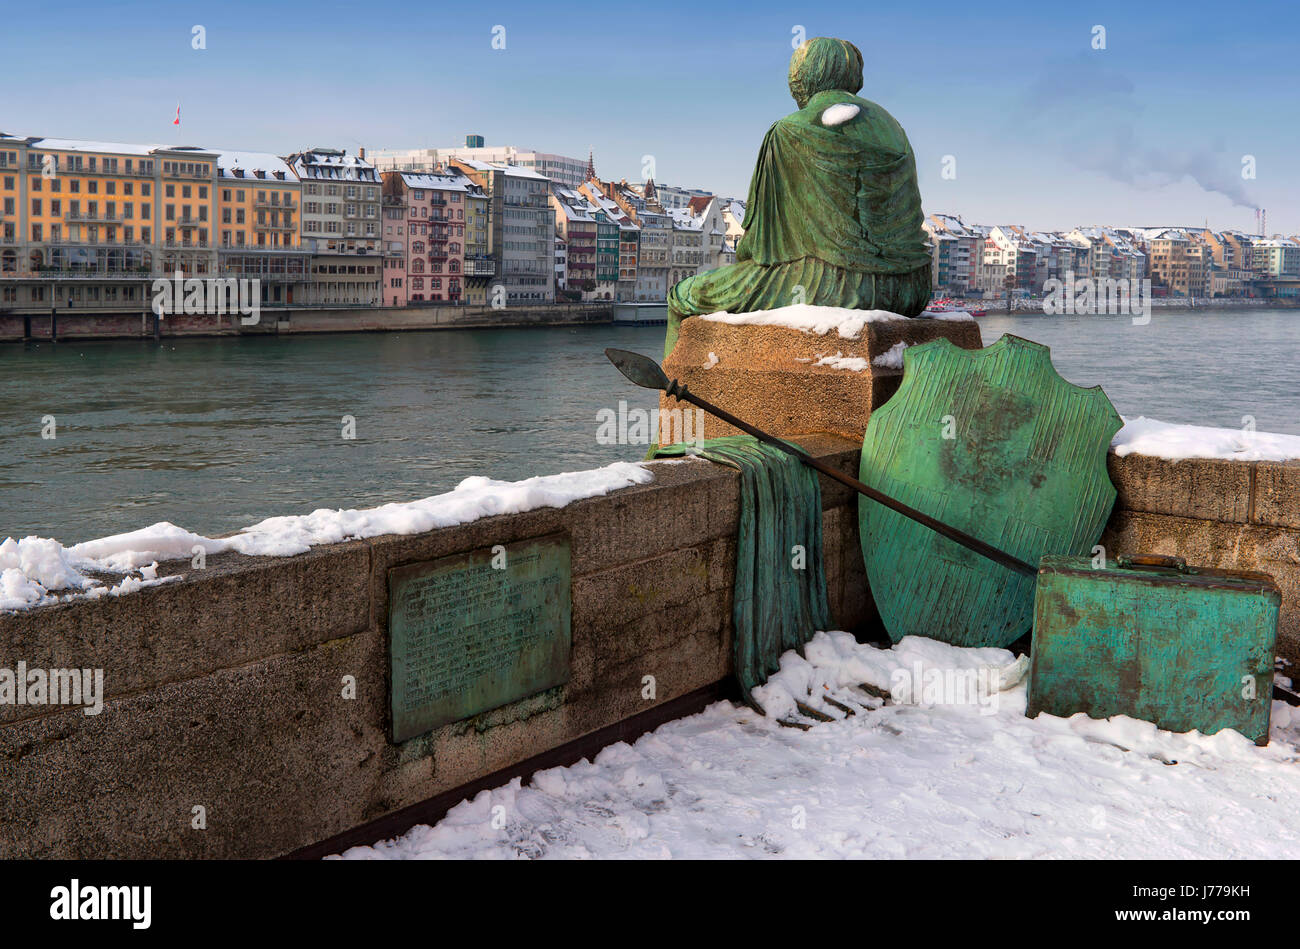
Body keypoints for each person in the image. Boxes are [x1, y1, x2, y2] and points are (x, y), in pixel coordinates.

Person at [665, 36, 932, 357]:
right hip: (910, 289)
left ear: (802, 79)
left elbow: (761, 247)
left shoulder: (789, 131)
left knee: (684, 296)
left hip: (834, 285)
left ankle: (679, 395)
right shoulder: (893, 127)